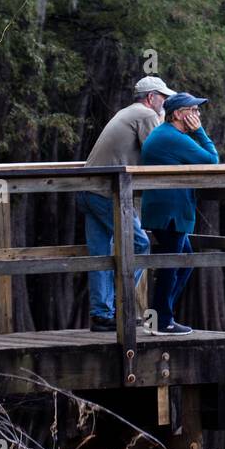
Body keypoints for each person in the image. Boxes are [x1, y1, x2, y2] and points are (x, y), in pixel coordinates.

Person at [78, 75, 176, 332]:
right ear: (150, 97)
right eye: (162, 98)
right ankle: (121, 308)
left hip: (89, 189)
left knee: (100, 254)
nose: (164, 103)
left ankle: (102, 315)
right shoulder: (145, 114)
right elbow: (158, 151)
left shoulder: (128, 112)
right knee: (140, 243)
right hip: (106, 193)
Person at [140, 92, 219, 335]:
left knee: (183, 262)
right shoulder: (172, 136)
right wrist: (200, 132)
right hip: (170, 213)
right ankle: (162, 321)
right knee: (172, 266)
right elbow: (212, 160)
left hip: (167, 211)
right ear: (177, 114)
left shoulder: (166, 134)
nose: (198, 114)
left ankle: (161, 315)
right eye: (193, 110)